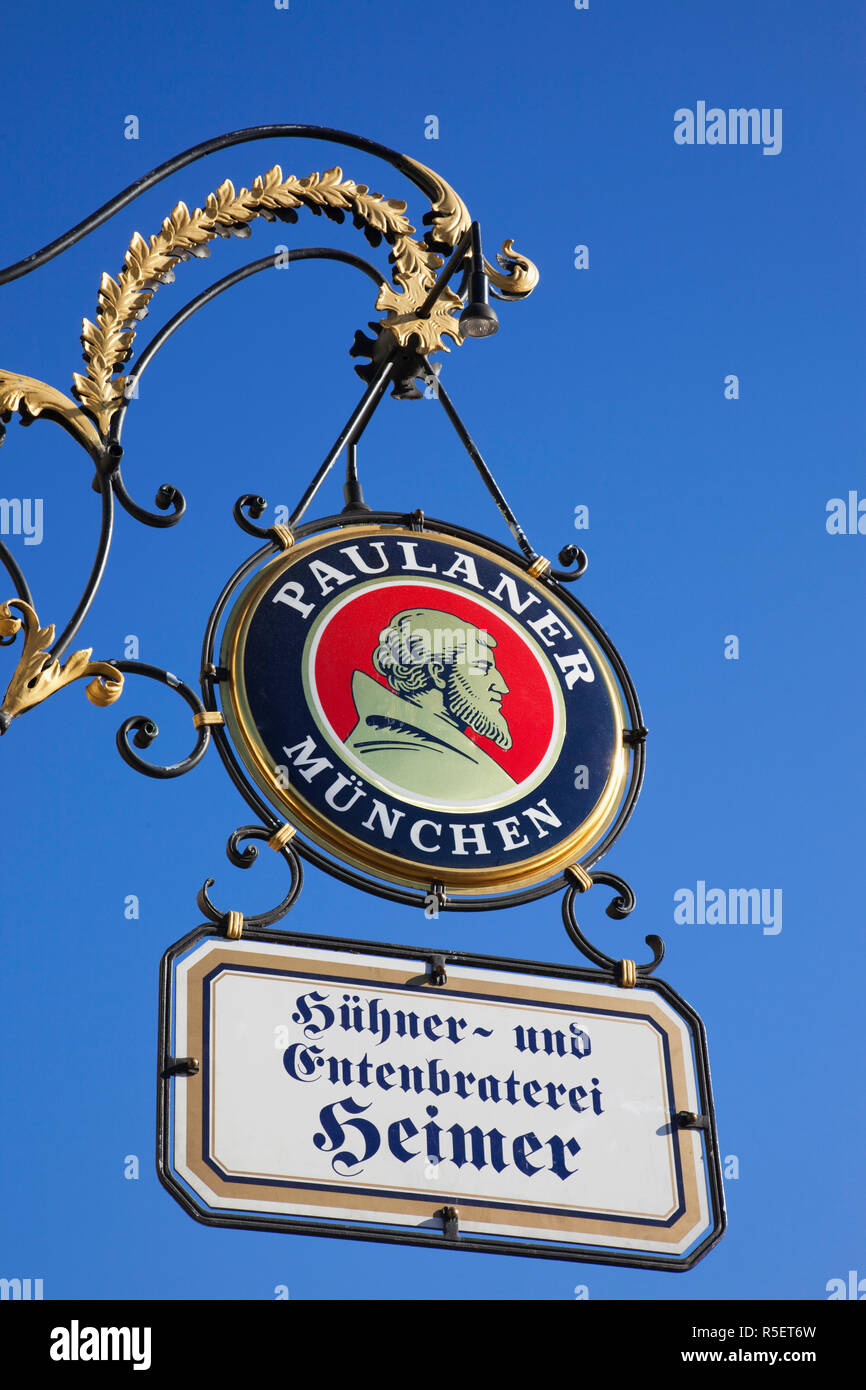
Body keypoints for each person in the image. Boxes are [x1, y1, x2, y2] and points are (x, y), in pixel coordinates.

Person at [345, 607, 515, 801]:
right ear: (438, 673)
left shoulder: (444, 754)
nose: (502, 687)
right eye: (482, 669)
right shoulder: (396, 751)